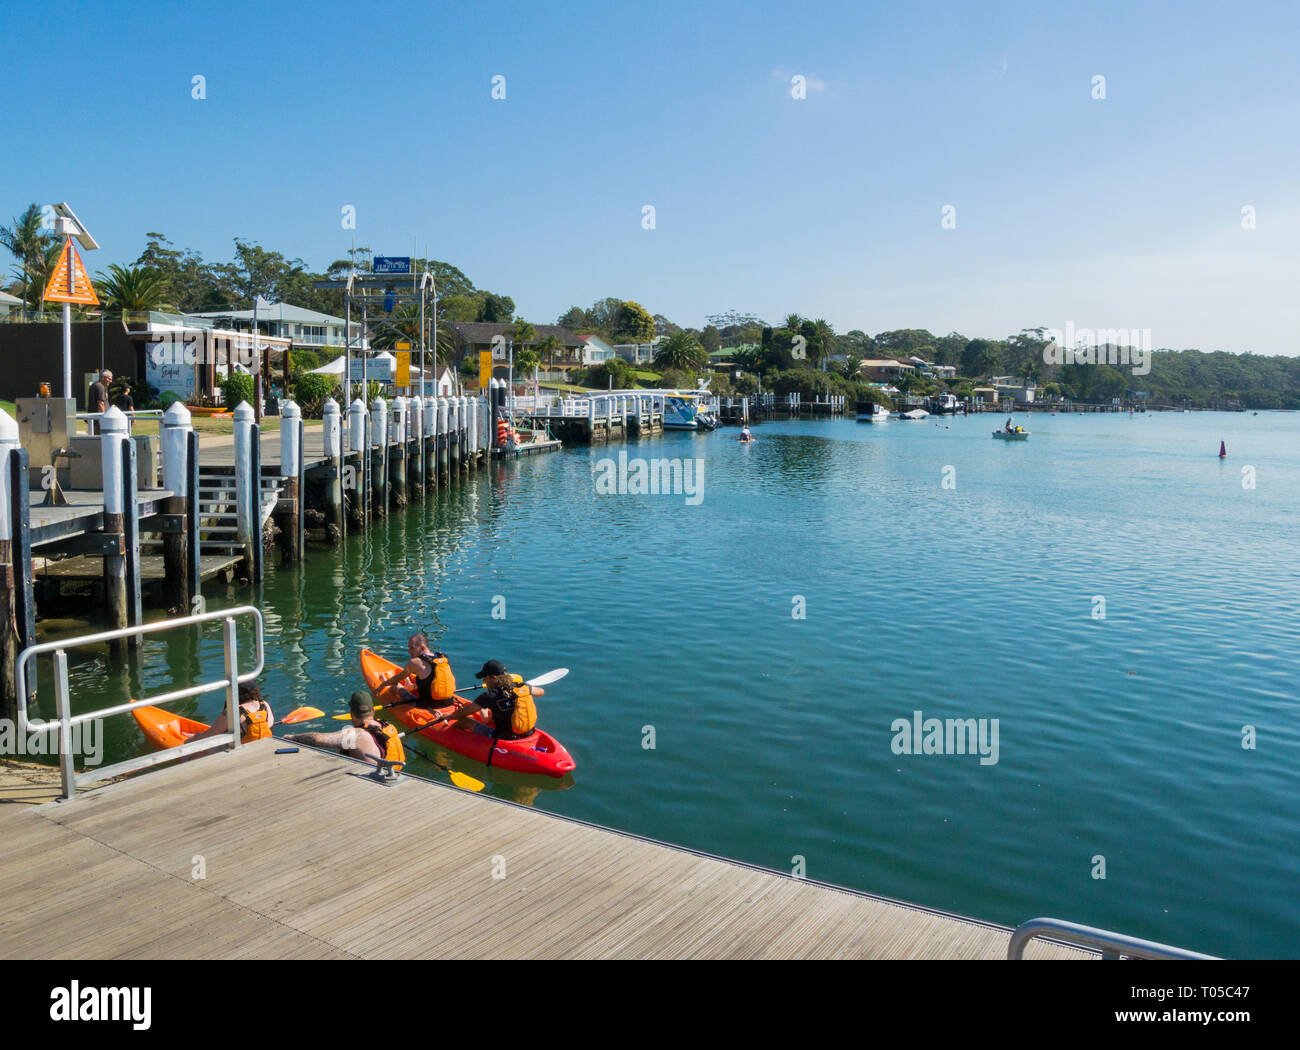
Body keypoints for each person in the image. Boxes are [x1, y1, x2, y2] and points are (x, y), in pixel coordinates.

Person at [285, 692, 405, 766]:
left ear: (351, 713)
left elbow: (316, 739)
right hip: (393, 776)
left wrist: (290, 738)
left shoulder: (355, 735)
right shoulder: (389, 727)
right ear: (373, 711)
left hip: (369, 786)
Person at [443, 660, 542, 741]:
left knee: (464, 721)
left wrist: (448, 717)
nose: (484, 681)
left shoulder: (490, 696)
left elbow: (463, 713)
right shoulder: (520, 688)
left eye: (484, 678)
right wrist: (524, 686)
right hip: (529, 733)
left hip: (505, 738)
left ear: (493, 677)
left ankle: (456, 741)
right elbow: (541, 691)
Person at [374, 633, 456, 707]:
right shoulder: (443, 658)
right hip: (449, 702)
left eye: (412, 648)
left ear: (423, 647)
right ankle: (410, 686)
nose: (409, 651)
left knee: (395, 686)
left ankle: (394, 701)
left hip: (428, 706)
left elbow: (396, 679)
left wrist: (383, 685)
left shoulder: (415, 662)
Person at [191, 683, 275, 743]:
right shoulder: (264, 705)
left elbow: (209, 735)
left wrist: (192, 738)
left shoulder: (232, 711)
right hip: (264, 747)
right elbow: (269, 725)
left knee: (199, 745)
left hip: (243, 753)